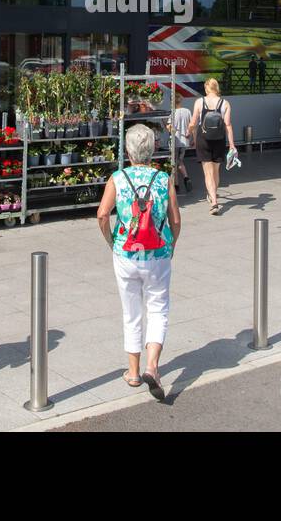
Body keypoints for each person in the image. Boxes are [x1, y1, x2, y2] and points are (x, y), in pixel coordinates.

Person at [97, 125, 180, 400]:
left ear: (127, 151)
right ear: (153, 149)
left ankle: (133, 373)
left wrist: (112, 242)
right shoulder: (163, 178)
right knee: (158, 308)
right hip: (157, 254)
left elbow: (102, 214)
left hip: (126, 253)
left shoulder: (117, 178)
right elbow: (176, 219)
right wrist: (171, 245)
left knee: (131, 311)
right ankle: (152, 366)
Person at [188, 77, 235, 215]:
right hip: (219, 139)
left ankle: (214, 201)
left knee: (208, 173)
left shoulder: (199, 102)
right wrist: (232, 144)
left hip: (203, 139)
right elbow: (228, 125)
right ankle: (213, 194)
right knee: (215, 171)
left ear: (206, 88)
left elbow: (193, 123)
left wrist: (188, 132)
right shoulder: (225, 103)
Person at [169, 93, 192, 192]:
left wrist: (164, 123)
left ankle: (176, 185)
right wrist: (193, 139)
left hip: (175, 141)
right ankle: (186, 177)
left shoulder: (173, 113)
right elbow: (192, 126)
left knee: (173, 162)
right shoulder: (187, 111)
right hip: (184, 141)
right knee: (180, 161)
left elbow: (170, 128)